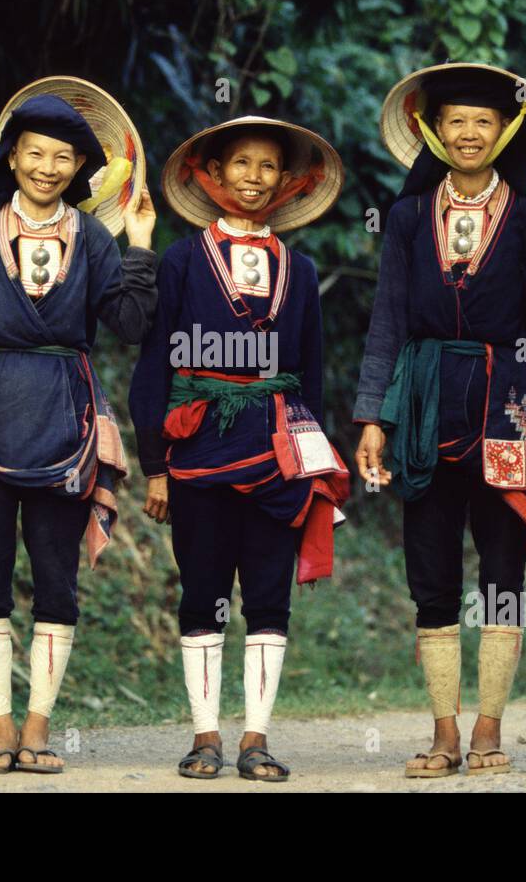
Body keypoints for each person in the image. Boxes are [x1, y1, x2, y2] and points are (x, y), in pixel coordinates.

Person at [354, 63, 526, 777]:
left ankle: (489, 729)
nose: (469, 133)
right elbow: (386, 319)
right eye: (455, 121)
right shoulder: (411, 216)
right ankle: (444, 731)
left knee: (502, 572)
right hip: (420, 404)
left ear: (504, 130)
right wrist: (371, 416)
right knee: (431, 571)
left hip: (508, 408)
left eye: (483, 121)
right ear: (433, 131)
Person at [130, 116, 349, 782]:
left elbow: (310, 374)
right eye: (241, 164)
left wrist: (311, 460)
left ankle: (255, 738)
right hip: (196, 451)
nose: (253, 179)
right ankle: (205, 737)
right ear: (214, 173)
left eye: (267, 167)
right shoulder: (182, 259)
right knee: (201, 594)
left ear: (287, 180)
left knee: (267, 597)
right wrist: (155, 466)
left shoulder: (300, 269)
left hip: (277, 451)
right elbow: (154, 368)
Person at [0, 84, 158, 775]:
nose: (46, 167)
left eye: (61, 158)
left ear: (76, 170)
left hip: (65, 419)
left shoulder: (92, 237)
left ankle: (38, 727)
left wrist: (139, 244)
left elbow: (128, 327)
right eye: (34, 153)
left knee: (56, 579)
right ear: (11, 158)